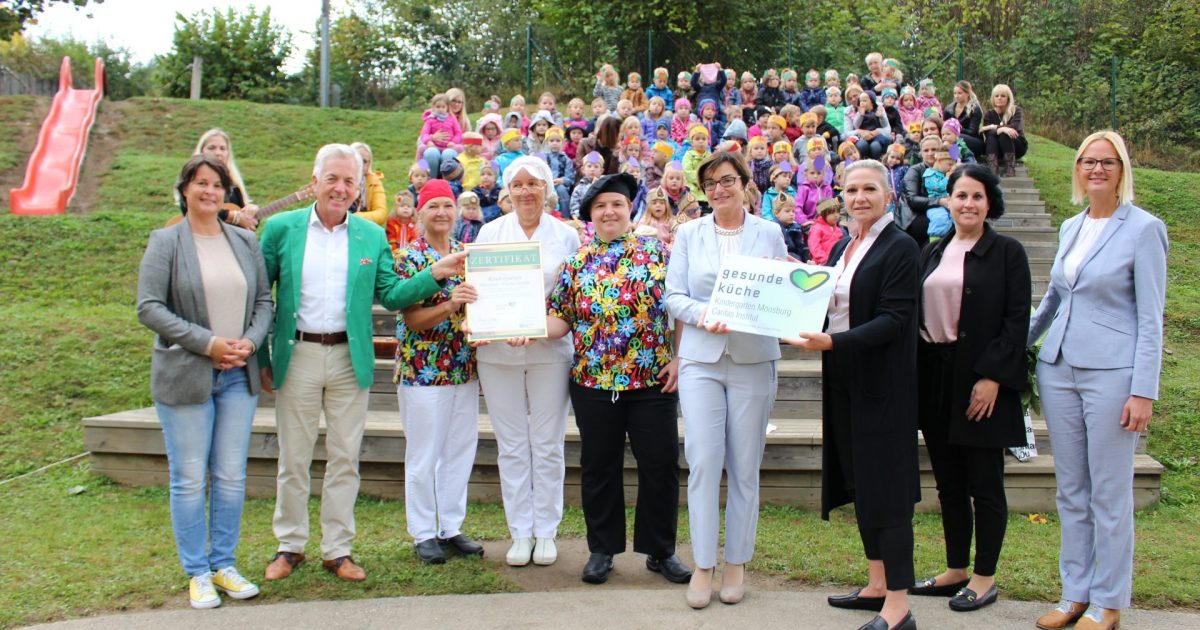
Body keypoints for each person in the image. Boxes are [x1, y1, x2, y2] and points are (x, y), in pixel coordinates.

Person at [258, 144, 467, 583]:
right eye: (331, 178)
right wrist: (262, 356)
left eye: (349, 181)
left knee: (344, 457)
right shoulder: (280, 229)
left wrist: (436, 273)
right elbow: (259, 299)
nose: (339, 188)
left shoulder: (370, 237)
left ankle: (338, 549)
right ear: (314, 182)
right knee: (293, 457)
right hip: (297, 354)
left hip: (348, 357)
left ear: (359, 189)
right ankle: (289, 544)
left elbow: (391, 295)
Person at [1029, 131, 1167, 630]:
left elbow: (1151, 319)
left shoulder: (1145, 229)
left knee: (1109, 492)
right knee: (1071, 490)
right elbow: (1053, 300)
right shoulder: (1071, 226)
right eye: (1088, 161)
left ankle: (1110, 603)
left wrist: (1143, 389)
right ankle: (1074, 595)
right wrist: (1014, 347)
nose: (1096, 169)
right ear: (1078, 169)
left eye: (1107, 162)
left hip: (1113, 373)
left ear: (1122, 169)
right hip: (1059, 369)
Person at [787, 159, 920, 630]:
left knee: (887, 491)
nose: (859, 197)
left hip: (883, 385)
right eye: (851, 190)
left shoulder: (901, 247)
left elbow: (895, 319)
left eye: (869, 189)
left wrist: (832, 342)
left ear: (890, 195)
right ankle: (877, 584)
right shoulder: (847, 244)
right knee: (864, 486)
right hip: (845, 379)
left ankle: (899, 606)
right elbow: (830, 303)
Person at [137, 155, 274, 609]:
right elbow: (150, 307)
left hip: (238, 375)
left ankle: (224, 564)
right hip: (187, 375)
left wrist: (249, 345)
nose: (209, 192)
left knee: (231, 477)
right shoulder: (166, 241)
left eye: (217, 185)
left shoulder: (243, 241)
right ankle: (197, 572)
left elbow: (263, 302)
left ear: (226, 194)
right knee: (190, 477)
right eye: (200, 183)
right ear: (185, 189)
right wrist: (209, 343)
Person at [545, 173, 692, 586]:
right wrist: (522, 327)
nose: (609, 211)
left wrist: (681, 358)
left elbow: (679, 309)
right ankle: (602, 549)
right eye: (600, 207)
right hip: (593, 382)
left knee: (660, 466)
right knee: (598, 466)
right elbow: (560, 319)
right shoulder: (576, 263)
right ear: (590, 216)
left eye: (616, 204)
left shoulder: (658, 253)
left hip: (652, 379)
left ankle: (660, 551)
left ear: (630, 208)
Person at [664, 151, 787, 609]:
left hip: (753, 358)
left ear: (745, 183)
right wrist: (704, 314)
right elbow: (673, 296)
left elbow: (782, 291)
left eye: (727, 180)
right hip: (701, 358)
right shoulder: (689, 234)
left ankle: (736, 562)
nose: (719, 189)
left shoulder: (769, 232)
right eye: (710, 183)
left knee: (744, 466)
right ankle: (702, 564)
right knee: (702, 462)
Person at [910, 164, 1031, 613]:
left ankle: (984, 577)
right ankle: (956, 569)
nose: (967, 203)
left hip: (981, 380)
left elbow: (1017, 321)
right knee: (949, 484)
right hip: (935, 377)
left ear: (989, 203)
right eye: (960, 195)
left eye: (977, 196)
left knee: (985, 483)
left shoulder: (1007, 253)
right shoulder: (933, 250)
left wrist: (993, 378)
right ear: (949, 200)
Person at [475, 156, 582, 567]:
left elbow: (570, 294)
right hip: (497, 353)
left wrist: (537, 321)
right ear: (507, 190)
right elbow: (483, 291)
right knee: (513, 445)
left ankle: (546, 530)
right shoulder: (489, 233)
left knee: (548, 442)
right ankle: (520, 531)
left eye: (533, 184)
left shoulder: (565, 236)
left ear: (546, 189)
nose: (525, 191)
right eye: (517, 184)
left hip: (549, 353)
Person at [393, 179, 484, 565]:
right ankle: (423, 532)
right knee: (424, 454)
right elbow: (412, 319)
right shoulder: (410, 258)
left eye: (447, 205)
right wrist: (450, 305)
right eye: (433, 207)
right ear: (420, 213)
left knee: (459, 451)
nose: (442, 213)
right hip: (423, 370)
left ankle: (450, 526)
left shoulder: (468, 255)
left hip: (463, 367)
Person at [188, 128, 260, 230]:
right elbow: (191, 208)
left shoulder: (234, 186)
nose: (218, 153)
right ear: (201, 151)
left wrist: (252, 211)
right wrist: (232, 217)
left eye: (222, 148)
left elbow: (248, 224)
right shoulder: (192, 178)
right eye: (211, 148)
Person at [902, 136, 947, 249]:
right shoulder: (914, 170)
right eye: (926, 150)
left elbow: (957, 155)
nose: (930, 153)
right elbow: (912, 199)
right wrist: (940, 201)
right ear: (921, 153)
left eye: (934, 149)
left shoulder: (948, 168)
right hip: (915, 215)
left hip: (941, 211)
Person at [980, 84, 1027, 177]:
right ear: (993, 99)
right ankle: (992, 168)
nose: (999, 98)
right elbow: (987, 132)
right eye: (996, 96)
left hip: (1017, 146)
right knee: (991, 137)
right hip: (996, 148)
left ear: (1008, 98)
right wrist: (1002, 129)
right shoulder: (989, 114)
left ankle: (1010, 168)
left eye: (1003, 96)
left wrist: (995, 127)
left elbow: (1014, 127)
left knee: (1004, 135)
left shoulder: (1016, 110)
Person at [349, 142, 387, 226]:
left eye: (364, 161)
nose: (360, 164)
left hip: (364, 227)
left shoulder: (375, 182)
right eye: (357, 159)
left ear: (369, 164)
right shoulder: (338, 180)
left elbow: (381, 214)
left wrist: (354, 217)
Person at [943, 81, 984, 156]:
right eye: (955, 93)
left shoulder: (975, 109)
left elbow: (972, 132)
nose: (956, 96)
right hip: (953, 138)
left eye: (960, 93)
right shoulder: (948, 109)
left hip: (973, 140)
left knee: (958, 137)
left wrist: (956, 128)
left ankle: (955, 158)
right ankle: (950, 159)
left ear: (968, 93)